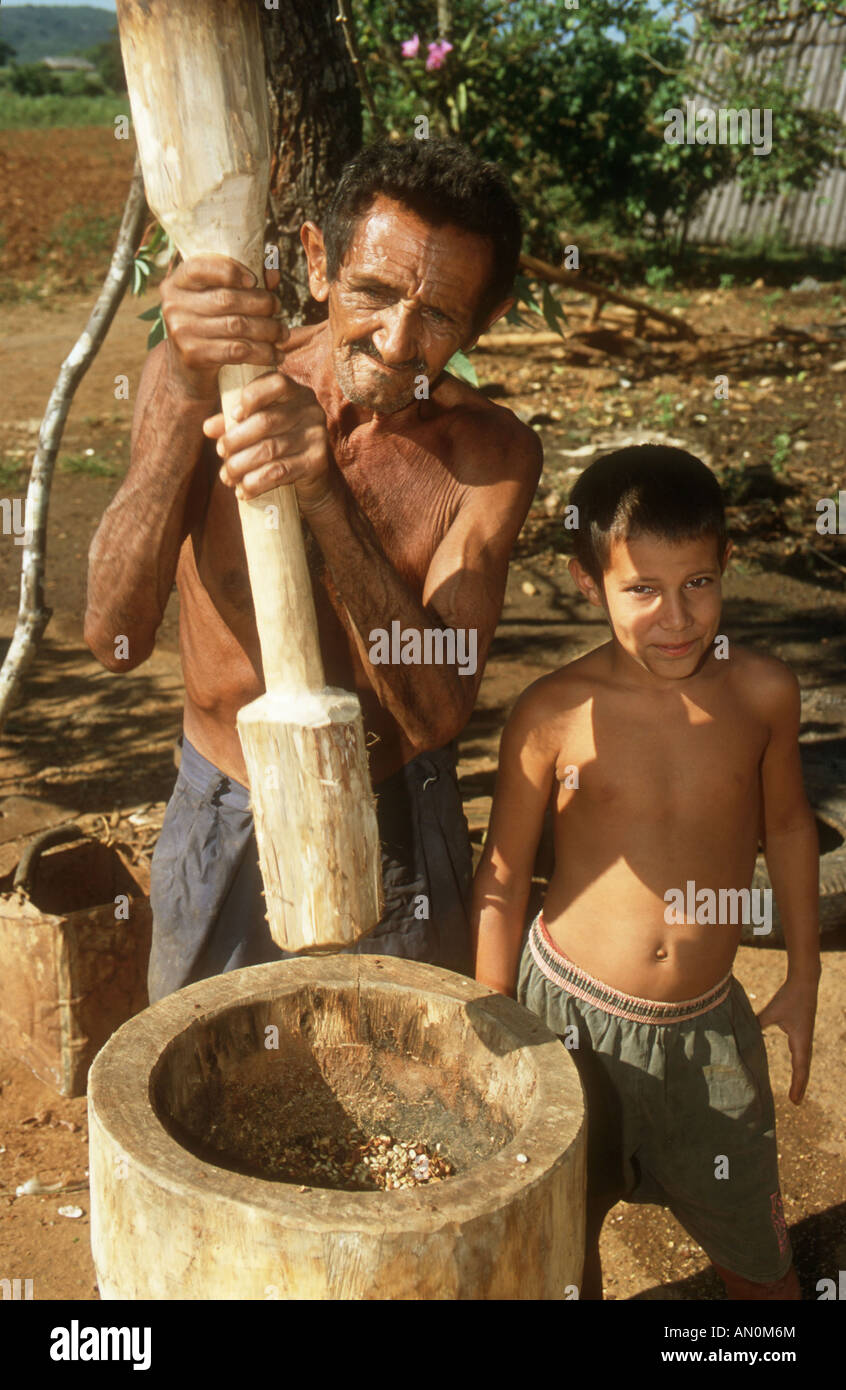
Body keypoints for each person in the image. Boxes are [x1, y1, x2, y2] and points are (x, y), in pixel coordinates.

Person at [85, 138, 541, 1001]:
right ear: (318, 261)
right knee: (201, 1089)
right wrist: (182, 393)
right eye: (371, 291)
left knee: (405, 1101)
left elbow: (438, 710)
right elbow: (113, 639)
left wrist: (324, 493)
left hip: (394, 815)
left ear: (486, 317)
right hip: (224, 812)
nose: (398, 340)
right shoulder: (209, 383)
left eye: (439, 315)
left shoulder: (491, 453)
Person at [472, 444, 819, 1300]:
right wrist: (492, 1028)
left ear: (726, 564)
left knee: (764, 1271)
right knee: (560, 1251)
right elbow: (504, 876)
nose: (677, 617)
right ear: (588, 582)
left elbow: (788, 826)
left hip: (707, 1033)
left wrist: (806, 972)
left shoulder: (763, 693)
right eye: (642, 589)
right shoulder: (553, 715)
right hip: (568, 1021)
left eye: (698, 582)